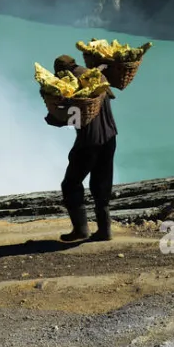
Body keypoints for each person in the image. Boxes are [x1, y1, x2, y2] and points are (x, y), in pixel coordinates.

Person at [45, 54, 117, 243]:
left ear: (62, 72)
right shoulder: (97, 77)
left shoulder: (72, 87)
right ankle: (105, 230)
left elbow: (72, 118)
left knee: (70, 184)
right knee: (101, 184)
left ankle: (81, 229)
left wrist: (54, 118)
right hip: (110, 138)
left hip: (89, 142)